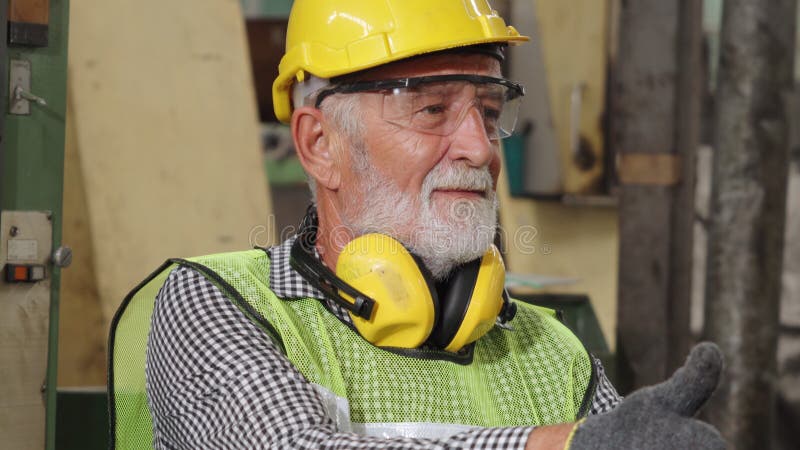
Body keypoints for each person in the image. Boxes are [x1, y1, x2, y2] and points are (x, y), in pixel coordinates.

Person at [108, 1, 727, 449]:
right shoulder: (215, 303)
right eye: (432, 109)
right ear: (320, 143)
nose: (480, 148)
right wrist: (555, 448)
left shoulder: (549, 351)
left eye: (488, 112)